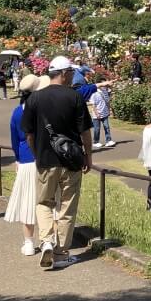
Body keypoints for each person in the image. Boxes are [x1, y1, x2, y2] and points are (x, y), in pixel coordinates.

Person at [21, 55, 93, 270]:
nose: (72, 75)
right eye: (70, 72)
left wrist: (37, 154)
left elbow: (29, 134)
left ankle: (46, 241)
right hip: (71, 161)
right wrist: (88, 156)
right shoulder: (75, 97)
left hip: (45, 160)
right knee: (67, 208)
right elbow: (85, 132)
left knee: (44, 202)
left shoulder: (34, 99)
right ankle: (61, 253)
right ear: (63, 74)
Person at [6, 74, 50, 255]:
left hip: (25, 159)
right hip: (46, 158)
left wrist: (17, 158)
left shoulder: (18, 112)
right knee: (48, 199)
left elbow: (14, 139)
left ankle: (29, 242)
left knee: (27, 202)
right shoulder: (45, 109)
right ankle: (49, 240)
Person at [89, 81, 115, 148]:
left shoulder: (105, 91)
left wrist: (109, 110)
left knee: (107, 127)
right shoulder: (94, 93)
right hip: (96, 115)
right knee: (97, 129)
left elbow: (108, 101)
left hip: (105, 113)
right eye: (104, 84)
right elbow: (93, 105)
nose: (105, 86)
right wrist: (97, 113)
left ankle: (108, 140)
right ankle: (96, 142)